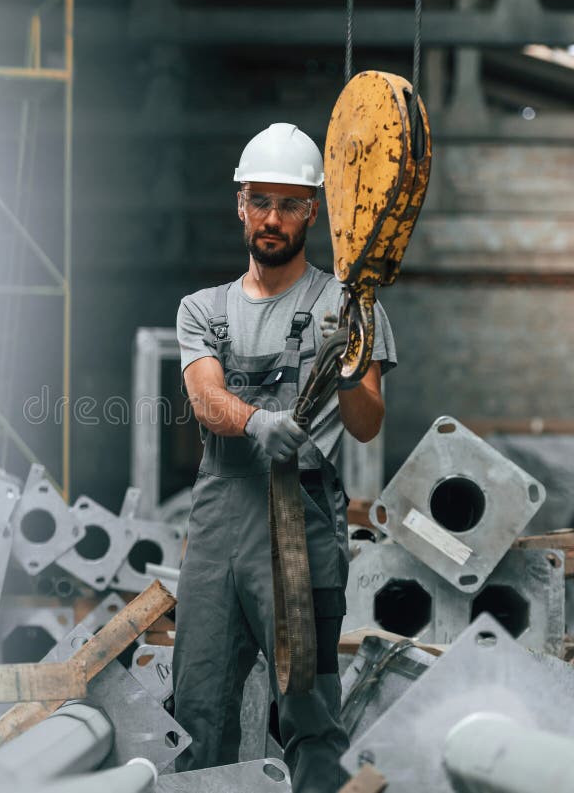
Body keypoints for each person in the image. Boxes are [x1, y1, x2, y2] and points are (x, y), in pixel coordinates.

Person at [172, 122, 397, 792]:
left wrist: (352, 354)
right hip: (218, 533)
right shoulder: (202, 309)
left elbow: (366, 423)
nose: (273, 218)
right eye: (261, 201)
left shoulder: (346, 303)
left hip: (302, 531)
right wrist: (258, 422)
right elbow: (206, 400)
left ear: (312, 211)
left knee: (310, 715)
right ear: (240, 204)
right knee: (198, 708)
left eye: (291, 203)